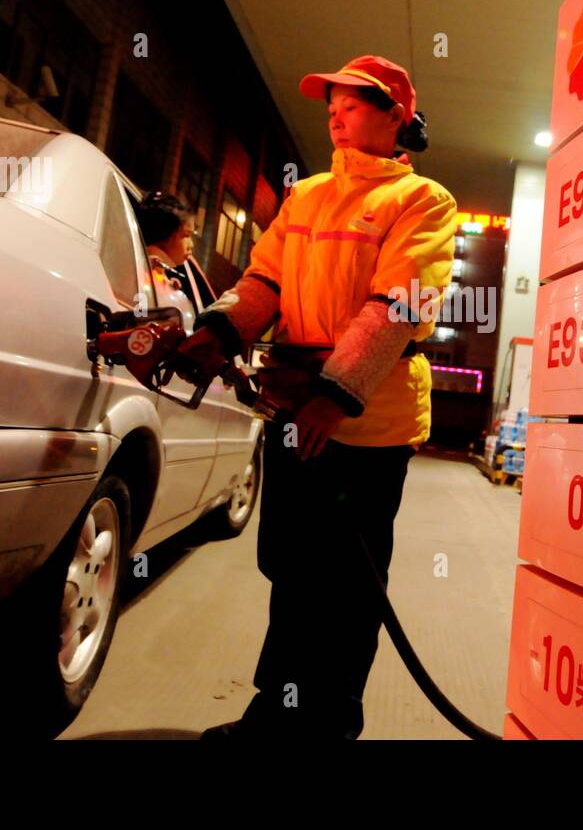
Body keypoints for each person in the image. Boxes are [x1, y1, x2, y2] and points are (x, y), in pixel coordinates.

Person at [178, 55, 457, 739]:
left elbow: (399, 303)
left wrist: (335, 394)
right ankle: (277, 710)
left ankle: (328, 723)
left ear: (395, 114)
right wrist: (218, 329)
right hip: (293, 410)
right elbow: (264, 278)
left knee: (346, 585)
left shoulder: (422, 202)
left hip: (364, 425)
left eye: (353, 102)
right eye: (330, 101)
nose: (334, 112)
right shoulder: (308, 196)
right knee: (292, 569)